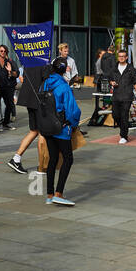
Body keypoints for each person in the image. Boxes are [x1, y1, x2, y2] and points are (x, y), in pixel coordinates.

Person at [39, 58, 82, 206]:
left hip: (47, 126)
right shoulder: (64, 86)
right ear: (65, 70)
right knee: (68, 159)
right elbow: (72, 110)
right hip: (61, 128)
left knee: (53, 159)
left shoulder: (45, 83)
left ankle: (49, 194)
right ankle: (59, 193)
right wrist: (75, 123)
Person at [6, 57, 53, 174]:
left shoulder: (29, 62)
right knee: (42, 132)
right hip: (38, 99)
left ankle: (16, 158)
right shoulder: (44, 63)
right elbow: (47, 80)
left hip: (29, 98)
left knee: (34, 130)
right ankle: (42, 166)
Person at [109, 48, 136, 144]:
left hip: (127, 96)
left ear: (126, 57)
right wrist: (112, 83)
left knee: (124, 115)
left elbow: (135, 83)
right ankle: (124, 127)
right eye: (120, 56)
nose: (121, 58)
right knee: (115, 115)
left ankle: (124, 136)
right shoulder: (114, 68)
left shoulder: (131, 69)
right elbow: (110, 79)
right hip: (116, 95)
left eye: (123, 56)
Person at [0, 45, 18, 128]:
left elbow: (16, 74)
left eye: (4, 51)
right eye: (1, 51)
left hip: (7, 86)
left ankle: (6, 123)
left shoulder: (10, 62)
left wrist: (10, 71)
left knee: (9, 105)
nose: (3, 52)